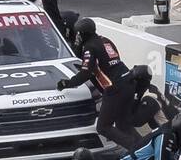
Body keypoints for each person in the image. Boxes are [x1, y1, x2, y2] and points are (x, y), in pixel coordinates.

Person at [58, 17, 141, 152]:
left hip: (115, 88)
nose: (77, 36)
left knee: (103, 127)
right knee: (123, 125)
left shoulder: (90, 47)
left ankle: (134, 148)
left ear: (83, 33)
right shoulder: (106, 40)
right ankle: (145, 147)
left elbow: (86, 73)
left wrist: (67, 83)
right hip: (129, 81)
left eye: (78, 33)